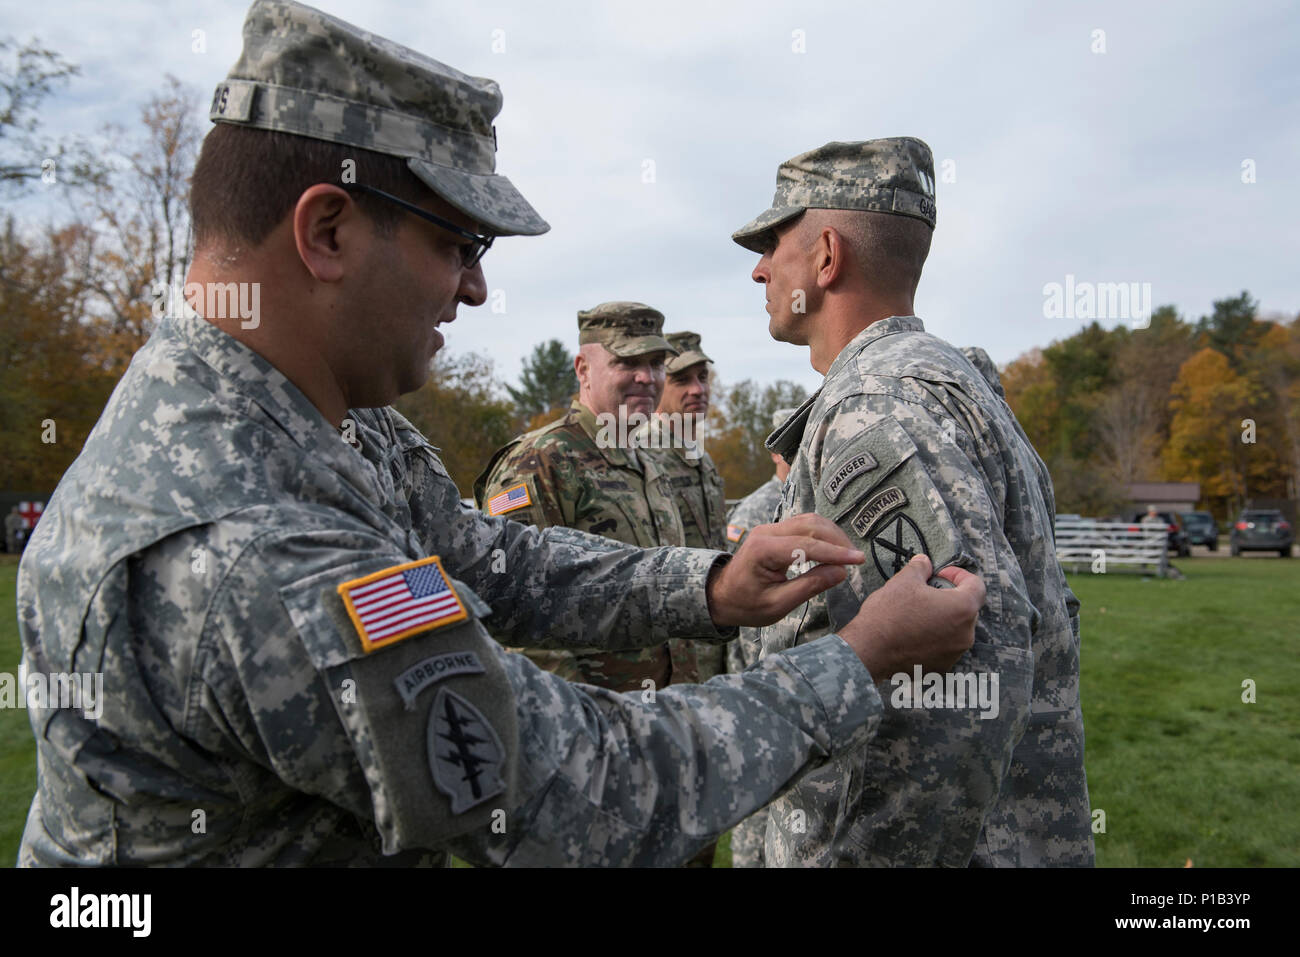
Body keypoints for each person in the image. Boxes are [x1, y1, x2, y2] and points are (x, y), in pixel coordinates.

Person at [14, 2, 986, 868]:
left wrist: (708, 586)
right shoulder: (243, 550)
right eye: (456, 244)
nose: (474, 287)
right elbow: (586, 794)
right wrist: (860, 659)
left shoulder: (331, 424)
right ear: (327, 232)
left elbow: (494, 561)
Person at [732, 137, 1093, 867]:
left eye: (774, 244)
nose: (759, 268)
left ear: (827, 257)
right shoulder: (950, 384)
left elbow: (959, 680)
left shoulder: (878, 405)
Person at [474, 302, 706, 693]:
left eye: (655, 363)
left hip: (668, 713)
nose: (647, 378)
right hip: (594, 724)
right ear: (583, 369)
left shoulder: (650, 464)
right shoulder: (540, 462)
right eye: (627, 362)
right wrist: (587, 722)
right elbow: (514, 611)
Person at [722, 406, 796, 869]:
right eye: (787, 446)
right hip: (756, 679)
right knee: (755, 819)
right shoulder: (754, 509)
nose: (795, 453)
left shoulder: (819, 493)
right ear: (774, 452)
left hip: (799, 678)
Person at [642, 331, 729, 683]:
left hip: (710, 636)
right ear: (660, 383)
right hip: (670, 651)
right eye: (681, 379)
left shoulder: (700, 455)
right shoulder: (642, 451)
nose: (698, 389)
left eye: (703, 377)